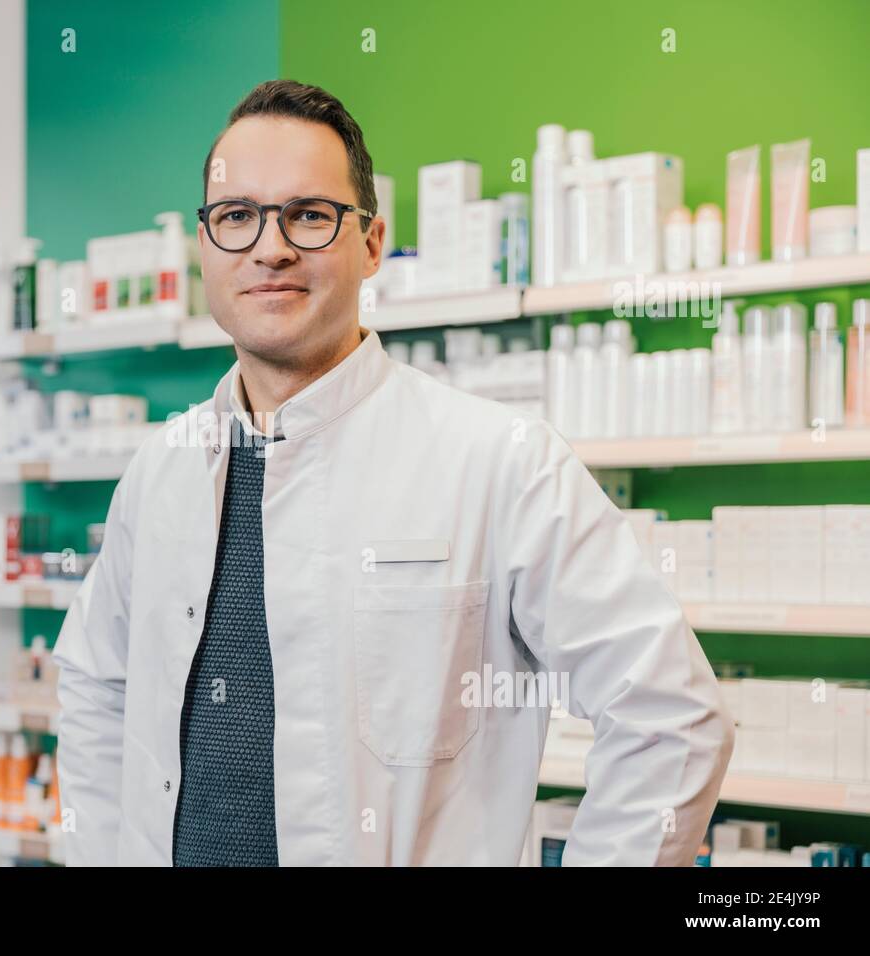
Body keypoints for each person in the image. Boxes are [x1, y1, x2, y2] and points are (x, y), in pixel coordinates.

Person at [52, 79, 734, 866]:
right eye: (236, 216)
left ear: (371, 243)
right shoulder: (160, 472)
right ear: (205, 246)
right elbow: (96, 686)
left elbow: (671, 717)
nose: (270, 247)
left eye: (309, 215)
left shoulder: (499, 461)